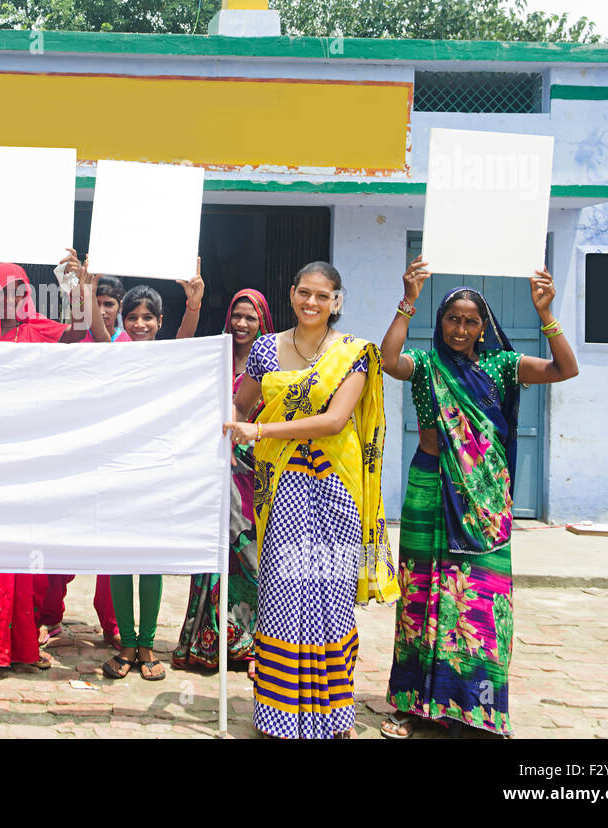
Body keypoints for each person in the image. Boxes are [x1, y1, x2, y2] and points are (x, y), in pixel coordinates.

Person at [378, 258, 578, 739]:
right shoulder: (426, 365)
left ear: (484, 326)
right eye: (452, 319)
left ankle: (477, 708)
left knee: (480, 599)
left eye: (470, 321)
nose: (460, 329)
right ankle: (417, 704)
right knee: (422, 592)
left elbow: (565, 369)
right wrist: (408, 302)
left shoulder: (504, 365)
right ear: (441, 322)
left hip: (483, 496)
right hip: (429, 486)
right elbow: (388, 360)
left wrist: (546, 314)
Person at [224, 261, 397, 738]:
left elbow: (335, 421)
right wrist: (232, 429)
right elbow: (240, 403)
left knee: (329, 595)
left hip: (336, 489)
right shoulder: (264, 349)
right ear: (292, 293)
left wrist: (260, 429)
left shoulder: (355, 354)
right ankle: (278, 716)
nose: (312, 303)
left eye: (323, 296)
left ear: (336, 301)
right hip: (279, 487)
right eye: (305, 293)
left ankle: (331, 715)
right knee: (283, 594)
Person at [0, 258, 111, 670]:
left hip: (28, 455)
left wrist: (79, 288)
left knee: (20, 552)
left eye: (20, 291)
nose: (14, 298)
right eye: (4, 292)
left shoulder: (38, 327)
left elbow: (80, 332)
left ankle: (20, 642)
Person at [100, 281, 203, 682]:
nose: (140, 324)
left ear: (160, 322)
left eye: (147, 317)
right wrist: (89, 286)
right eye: (132, 317)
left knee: (150, 562)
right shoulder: (115, 354)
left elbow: (187, 337)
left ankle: (146, 644)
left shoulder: (170, 356)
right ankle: (127, 643)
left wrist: (193, 304)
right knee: (120, 560)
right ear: (122, 321)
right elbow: (95, 329)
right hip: (119, 468)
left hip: (158, 469)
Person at [173, 287, 274, 672]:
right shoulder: (214, 358)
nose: (242, 324)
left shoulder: (277, 363)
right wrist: (194, 304)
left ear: (263, 321)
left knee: (252, 555)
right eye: (237, 315)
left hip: (257, 472)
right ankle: (210, 639)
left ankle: (259, 644)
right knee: (217, 553)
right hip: (218, 470)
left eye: (251, 317)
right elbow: (180, 350)